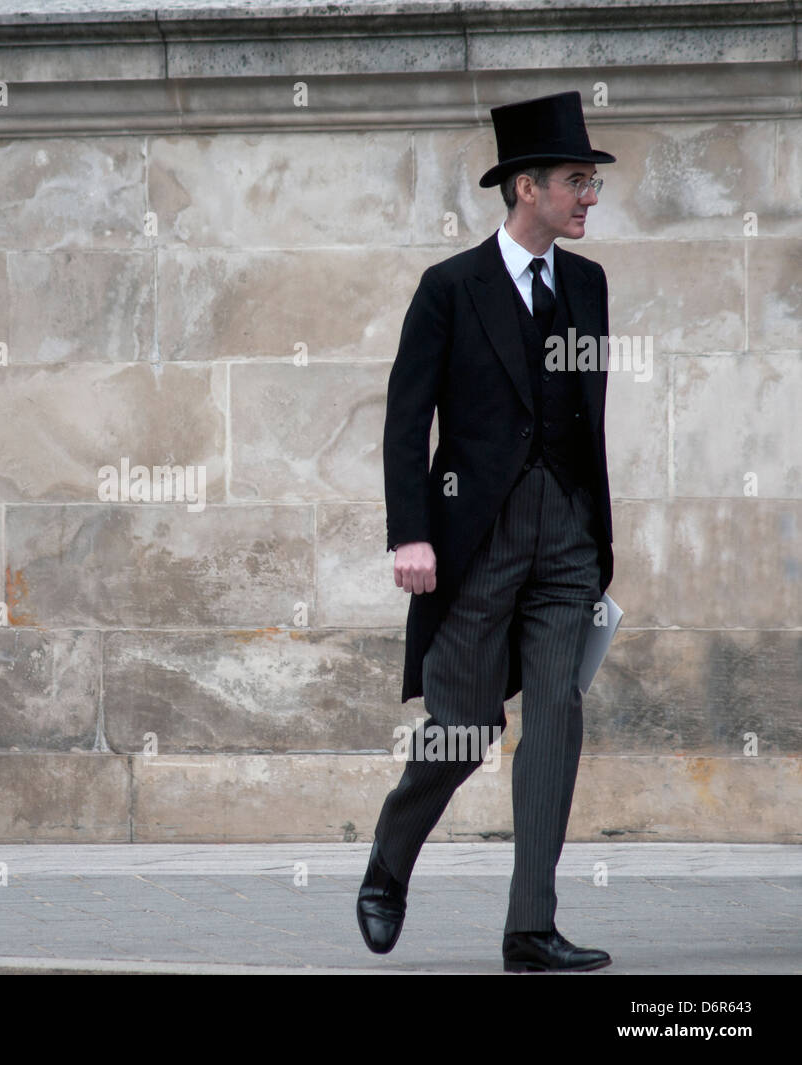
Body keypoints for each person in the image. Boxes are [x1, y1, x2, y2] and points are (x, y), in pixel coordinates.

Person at [357, 92, 617, 972]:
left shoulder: (588, 285)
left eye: (590, 182)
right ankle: (391, 857)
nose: (589, 197)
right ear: (526, 188)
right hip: (478, 543)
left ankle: (529, 927)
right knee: (463, 728)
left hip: (568, 544)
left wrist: (588, 526)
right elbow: (405, 421)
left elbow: (583, 420)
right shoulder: (449, 288)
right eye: (577, 182)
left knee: (555, 718)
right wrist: (411, 535)